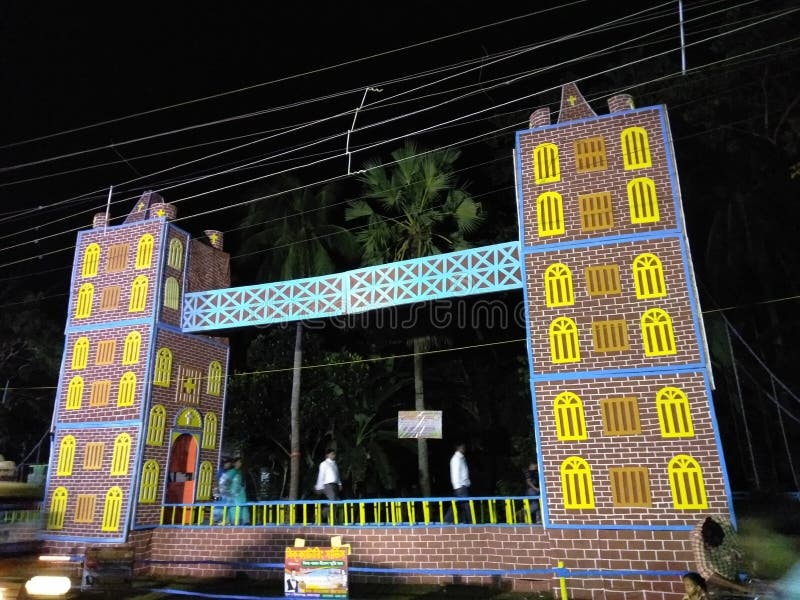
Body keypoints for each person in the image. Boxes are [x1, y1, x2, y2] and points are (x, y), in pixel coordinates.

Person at [689, 515, 749, 595]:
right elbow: (704, 571)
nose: (718, 547)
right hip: (715, 581)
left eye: (720, 543)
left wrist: (741, 559)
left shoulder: (726, 525)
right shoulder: (697, 538)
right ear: (706, 541)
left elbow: (737, 547)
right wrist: (738, 587)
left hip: (732, 574)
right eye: (714, 546)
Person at [444, 442, 470, 524]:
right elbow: (455, 474)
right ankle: (469, 522)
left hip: (462, 486)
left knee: (457, 504)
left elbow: (464, 472)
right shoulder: (456, 459)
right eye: (463, 447)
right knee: (465, 505)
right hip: (460, 486)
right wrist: (458, 486)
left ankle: (448, 520)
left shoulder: (461, 458)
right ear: (459, 447)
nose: (464, 448)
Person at [315, 449, 342, 522]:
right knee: (332, 501)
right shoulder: (323, 464)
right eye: (332, 454)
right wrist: (319, 487)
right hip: (328, 485)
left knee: (334, 502)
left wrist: (339, 484)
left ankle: (323, 517)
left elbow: (337, 475)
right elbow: (321, 475)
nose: (334, 455)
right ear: (327, 455)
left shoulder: (334, 464)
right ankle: (327, 518)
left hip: (335, 484)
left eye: (334, 454)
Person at [228, 456, 250, 525]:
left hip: (241, 494)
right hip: (233, 495)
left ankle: (244, 523)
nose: (239, 463)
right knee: (234, 509)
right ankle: (234, 523)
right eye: (238, 462)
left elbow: (243, 484)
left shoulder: (241, 472)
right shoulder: (231, 472)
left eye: (240, 462)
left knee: (243, 509)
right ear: (234, 463)